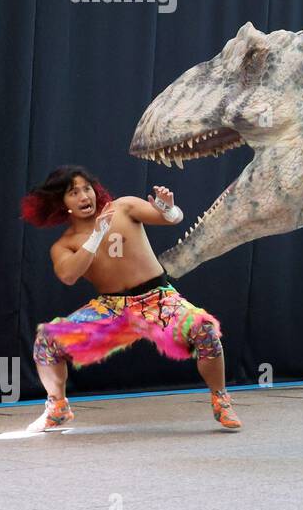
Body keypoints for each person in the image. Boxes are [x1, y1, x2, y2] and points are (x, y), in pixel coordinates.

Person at [20, 165, 241, 432]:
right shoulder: (65, 245)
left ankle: (221, 400)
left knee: (204, 330)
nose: (83, 197)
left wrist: (169, 208)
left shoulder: (122, 207)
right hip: (112, 308)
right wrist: (96, 236)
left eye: (86, 188)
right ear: (61, 203)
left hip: (157, 299)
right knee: (47, 341)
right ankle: (57, 408)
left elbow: (172, 218)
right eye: (73, 192)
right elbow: (68, 275)